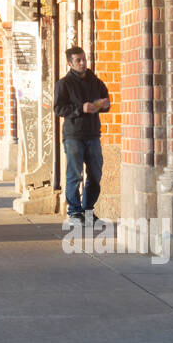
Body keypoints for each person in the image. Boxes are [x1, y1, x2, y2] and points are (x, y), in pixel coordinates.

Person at [53, 46, 111, 224]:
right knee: (75, 174)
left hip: (93, 134)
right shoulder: (64, 84)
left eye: (84, 59)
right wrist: (80, 109)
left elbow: (107, 103)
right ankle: (74, 211)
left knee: (95, 174)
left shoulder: (96, 82)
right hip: (74, 135)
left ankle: (87, 210)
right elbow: (58, 108)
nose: (82, 63)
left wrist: (102, 104)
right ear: (70, 63)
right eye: (78, 60)